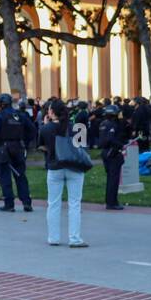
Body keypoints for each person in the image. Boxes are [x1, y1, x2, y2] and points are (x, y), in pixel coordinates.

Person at [39, 100, 89, 248]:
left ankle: (53, 238)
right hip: (74, 166)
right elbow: (83, 146)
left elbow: (42, 147)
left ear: (52, 112)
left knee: (53, 203)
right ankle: (74, 238)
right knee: (74, 203)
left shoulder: (46, 129)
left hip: (55, 166)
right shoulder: (76, 127)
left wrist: (46, 125)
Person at [0, 93, 35, 213]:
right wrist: (25, 142)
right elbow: (32, 130)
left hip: (3, 149)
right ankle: (26, 202)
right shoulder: (20, 115)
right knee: (20, 175)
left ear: (1, 104)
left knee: (4, 177)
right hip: (18, 148)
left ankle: (9, 204)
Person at [99, 103, 127, 210]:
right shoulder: (112, 125)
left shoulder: (103, 123)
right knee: (113, 179)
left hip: (106, 153)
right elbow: (110, 139)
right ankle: (112, 202)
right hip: (113, 153)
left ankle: (110, 201)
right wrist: (121, 145)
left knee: (111, 178)